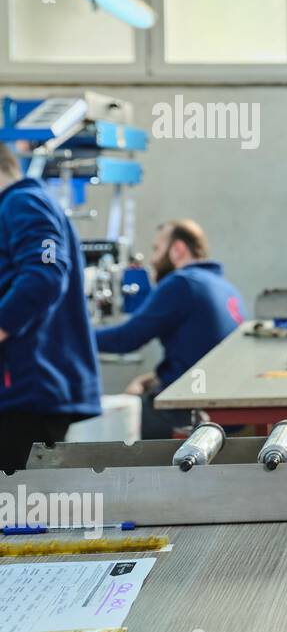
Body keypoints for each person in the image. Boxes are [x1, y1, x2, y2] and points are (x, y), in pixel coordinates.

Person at [0, 143, 101, 469]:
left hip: (29, 389)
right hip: (26, 389)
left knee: (15, 507)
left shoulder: (23, 201)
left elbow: (45, 273)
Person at [95, 220, 244, 439]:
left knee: (109, 425)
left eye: (156, 249)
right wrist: (153, 377)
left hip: (190, 413)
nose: (152, 259)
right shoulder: (225, 287)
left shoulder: (183, 283)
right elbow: (199, 352)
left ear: (177, 250)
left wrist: (71, 336)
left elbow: (126, 339)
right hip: (223, 407)